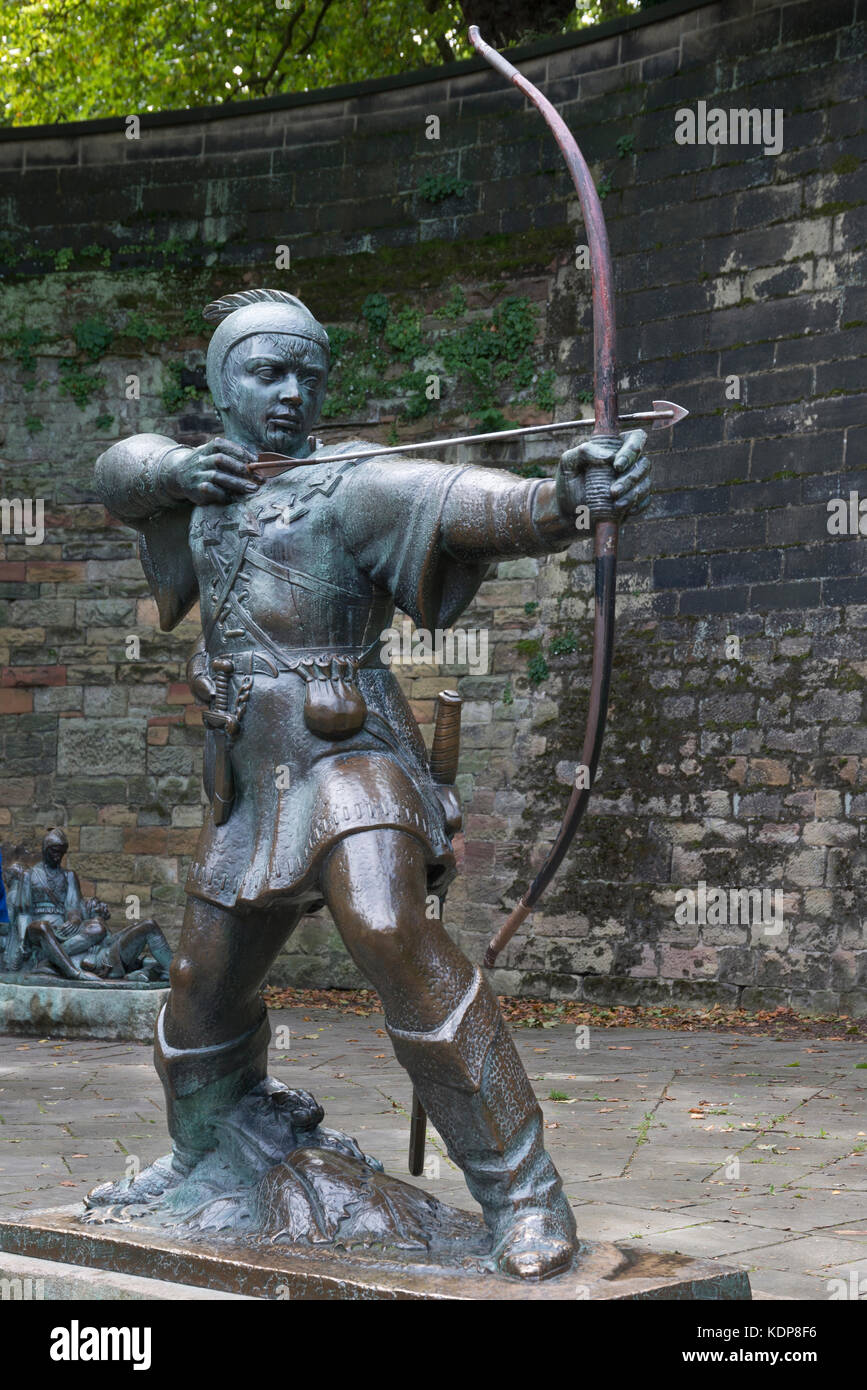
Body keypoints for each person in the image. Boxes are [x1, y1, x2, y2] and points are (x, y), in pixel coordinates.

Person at [90, 289, 651, 1279]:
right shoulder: (200, 485)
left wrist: (566, 499)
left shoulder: (349, 485)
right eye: (268, 371)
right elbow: (116, 472)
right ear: (222, 383)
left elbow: (471, 501)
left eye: (309, 372)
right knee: (199, 991)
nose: (293, 391)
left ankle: (525, 1194)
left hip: (348, 752)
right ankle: (204, 1155)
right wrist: (183, 467)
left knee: (389, 927)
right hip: (249, 774)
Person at [2, 828, 171, 982]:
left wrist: (75, 921)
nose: (57, 856)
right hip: (38, 933)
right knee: (41, 926)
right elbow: (23, 912)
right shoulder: (29, 875)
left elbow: (73, 906)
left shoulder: (68, 876)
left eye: (61, 853)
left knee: (97, 928)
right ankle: (69, 970)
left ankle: (53, 957)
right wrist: (24, 941)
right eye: (54, 851)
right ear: (45, 849)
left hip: (65, 932)